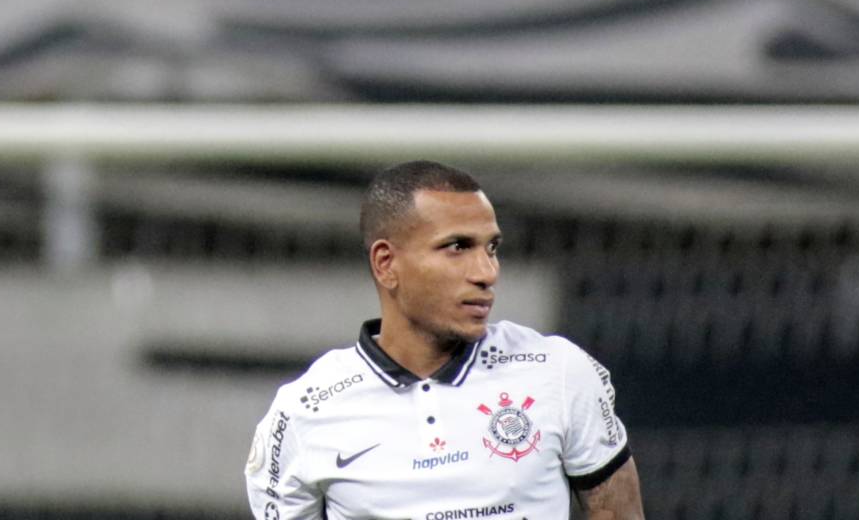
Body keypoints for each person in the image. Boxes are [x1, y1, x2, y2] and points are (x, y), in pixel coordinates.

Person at [244, 161, 643, 519]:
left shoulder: (557, 372)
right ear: (387, 264)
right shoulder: (304, 412)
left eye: (492, 248)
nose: (487, 272)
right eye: (457, 247)